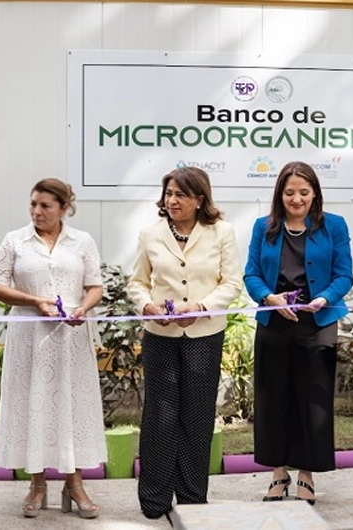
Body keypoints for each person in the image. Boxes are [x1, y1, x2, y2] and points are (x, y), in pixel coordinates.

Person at [0, 178, 106, 519]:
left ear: (64, 208)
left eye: (45, 206)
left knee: (72, 404)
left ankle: (75, 483)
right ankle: (36, 484)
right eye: (33, 204)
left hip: (71, 338)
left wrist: (82, 308)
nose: (37, 212)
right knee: (32, 404)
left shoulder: (82, 241)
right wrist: (35, 301)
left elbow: (95, 286)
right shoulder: (15, 240)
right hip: (29, 338)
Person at [128, 167, 242, 520]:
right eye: (168, 194)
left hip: (204, 336)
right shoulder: (151, 233)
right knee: (160, 417)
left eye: (180, 194)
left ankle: (193, 495)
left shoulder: (221, 232)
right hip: (160, 336)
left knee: (196, 416)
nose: (172, 200)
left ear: (199, 199)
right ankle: (154, 498)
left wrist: (201, 307)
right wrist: (147, 306)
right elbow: (137, 282)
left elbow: (232, 283)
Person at [243, 161, 353, 505]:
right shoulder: (264, 227)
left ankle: (307, 474)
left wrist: (324, 298)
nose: (296, 199)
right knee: (273, 400)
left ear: (315, 193)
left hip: (317, 325)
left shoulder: (333, 225)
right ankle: (278, 473)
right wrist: (268, 297)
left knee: (313, 402)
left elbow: (344, 275)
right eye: (289, 192)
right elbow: (251, 275)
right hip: (274, 324)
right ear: (280, 194)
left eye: (304, 192)